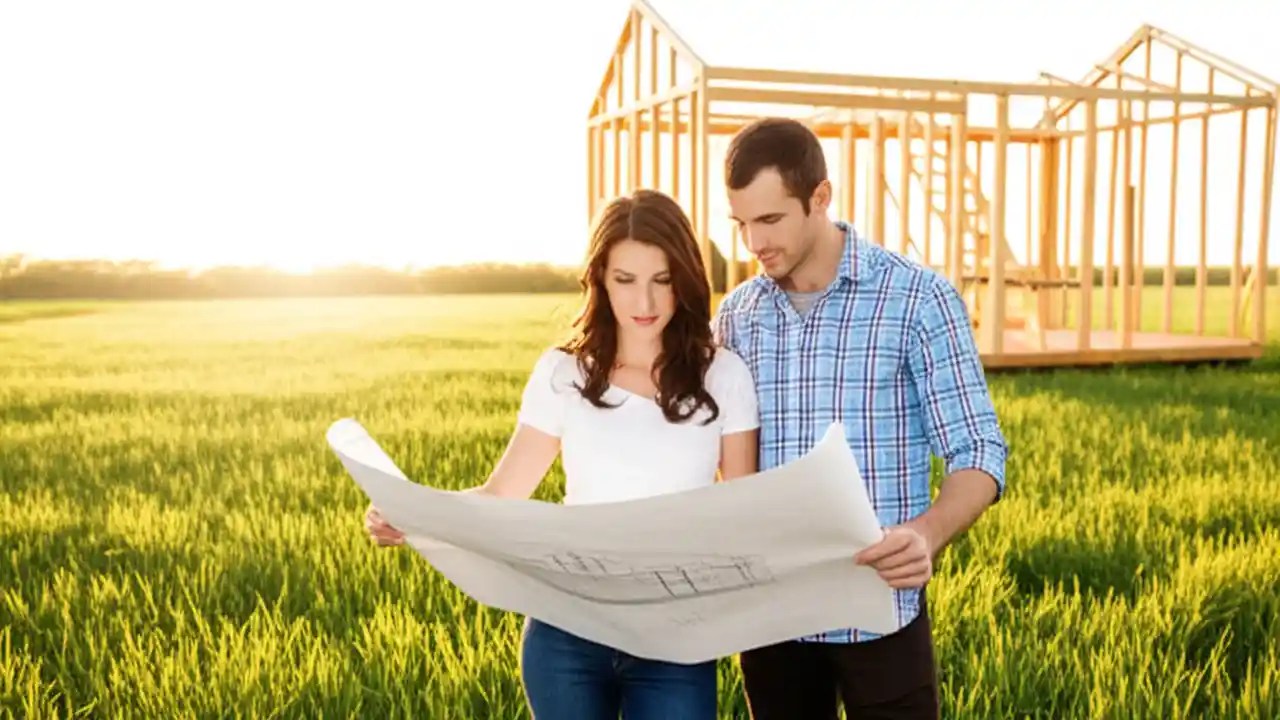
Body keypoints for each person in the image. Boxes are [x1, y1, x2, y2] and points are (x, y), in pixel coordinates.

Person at [364, 188, 761, 719]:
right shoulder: (563, 372)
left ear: (684, 279)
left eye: (662, 280)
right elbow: (502, 494)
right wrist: (414, 514)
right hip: (566, 635)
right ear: (600, 279)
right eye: (625, 280)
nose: (644, 303)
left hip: (675, 639)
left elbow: (743, 514)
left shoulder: (724, 376)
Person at [711, 117, 1009, 719]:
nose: (753, 243)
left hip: (880, 612)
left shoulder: (918, 299)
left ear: (820, 197)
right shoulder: (737, 316)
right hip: (773, 617)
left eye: (769, 220)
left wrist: (926, 533)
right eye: (740, 223)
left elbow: (979, 450)